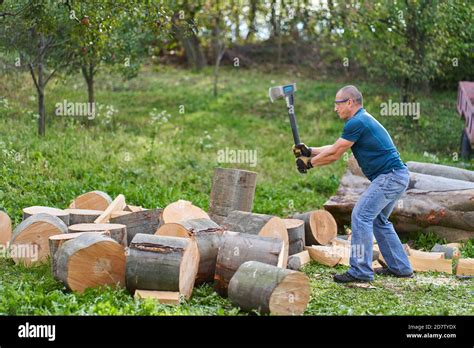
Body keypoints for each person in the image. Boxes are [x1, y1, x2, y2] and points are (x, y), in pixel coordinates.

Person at [293, 85, 413, 283]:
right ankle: (400, 267)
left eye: (337, 104)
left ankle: (360, 271)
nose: (335, 108)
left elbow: (334, 154)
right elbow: (335, 147)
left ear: (349, 102)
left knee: (361, 215)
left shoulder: (356, 122)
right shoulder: (360, 120)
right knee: (378, 220)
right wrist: (309, 150)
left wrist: (310, 164)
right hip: (397, 176)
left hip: (390, 177)